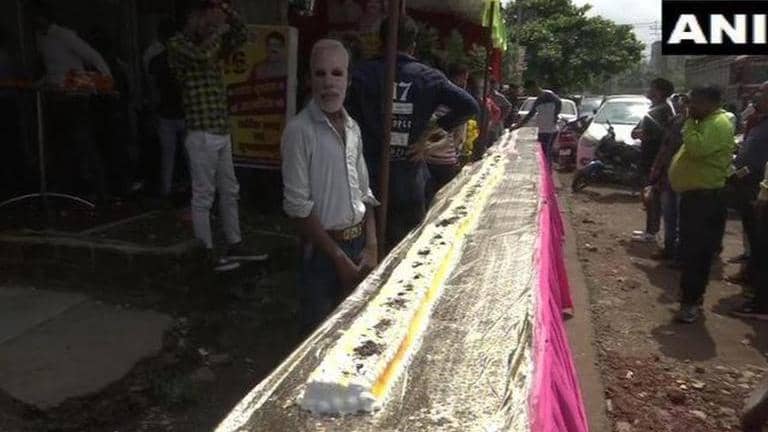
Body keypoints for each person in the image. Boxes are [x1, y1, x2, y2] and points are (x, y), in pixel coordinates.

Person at [347, 15, 479, 250]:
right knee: (405, 253)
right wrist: (427, 137)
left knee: (367, 251)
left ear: (380, 41)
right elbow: (469, 106)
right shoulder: (428, 77)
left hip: (368, 178)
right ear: (413, 44)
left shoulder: (360, 74)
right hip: (408, 178)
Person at [282, 39, 379, 332]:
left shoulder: (353, 128)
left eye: (337, 73)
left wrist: (372, 245)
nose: (328, 82)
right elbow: (298, 210)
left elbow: (365, 192)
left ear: (348, 80)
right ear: (309, 79)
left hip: (359, 245)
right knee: (319, 334)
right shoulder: (299, 132)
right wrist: (338, 258)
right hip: (322, 255)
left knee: (355, 330)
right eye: (320, 73)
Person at [168, 0, 262, 271]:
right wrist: (218, 30)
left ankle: (235, 244)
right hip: (200, 131)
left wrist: (223, 9)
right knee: (203, 195)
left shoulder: (212, 40)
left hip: (220, 129)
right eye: (204, 16)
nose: (210, 22)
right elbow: (203, 56)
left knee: (230, 191)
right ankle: (204, 251)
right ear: (192, 16)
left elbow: (242, 32)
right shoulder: (178, 45)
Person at [669, 86, 734, 323]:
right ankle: (691, 298)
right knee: (692, 251)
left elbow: (697, 150)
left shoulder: (717, 124)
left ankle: (690, 303)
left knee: (696, 253)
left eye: (694, 103)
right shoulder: (706, 122)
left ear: (708, 102)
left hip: (705, 201)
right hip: (696, 199)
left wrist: (687, 123)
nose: (690, 108)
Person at [33, 3, 110, 201]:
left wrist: (106, 80)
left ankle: (100, 189)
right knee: (63, 146)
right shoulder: (40, 38)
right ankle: (70, 189)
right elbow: (52, 70)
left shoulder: (64, 36)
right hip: (57, 96)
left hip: (75, 95)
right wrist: (41, 83)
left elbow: (93, 56)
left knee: (83, 142)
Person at [728, 91, 768, 315]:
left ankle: (760, 300)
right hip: (752, 189)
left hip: (757, 190)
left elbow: (758, 163)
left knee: (762, 244)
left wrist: (739, 174)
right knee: (755, 240)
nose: (757, 95)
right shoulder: (760, 122)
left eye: (763, 92)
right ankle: (752, 280)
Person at [630, 78, 676, 243]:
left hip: (654, 159)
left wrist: (642, 134)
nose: (649, 90)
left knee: (652, 196)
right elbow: (639, 129)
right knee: (648, 195)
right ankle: (650, 229)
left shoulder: (664, 110)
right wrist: (637, 132)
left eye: (652, 87)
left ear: (660, 91)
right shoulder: (655, 109)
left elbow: (663, 135)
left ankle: (651, 232)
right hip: (647, 157)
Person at [148, 19, 187, 199]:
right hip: (183, 113)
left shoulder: (157, 61)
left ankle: (167, 191)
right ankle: (195, 190)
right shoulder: (186, 59)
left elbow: (153, 89)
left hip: (167, 113)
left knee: (168, 157)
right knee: (191, 156)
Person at [649, 93, 688, 264]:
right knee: (669, 214)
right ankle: (668, 248)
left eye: (687, 102)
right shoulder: (675, 121)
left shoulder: (699, 126)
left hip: (686, 177)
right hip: (667, 175)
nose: (683, 105)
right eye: (681, 101)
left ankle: (680, 254)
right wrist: (656, 168)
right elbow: (665, 146)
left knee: (683, 218)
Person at [425, 63, 471, 204]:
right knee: (442, 203)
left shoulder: (430, 100)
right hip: (443, 161)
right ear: (461, 77)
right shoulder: (458, 101)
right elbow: (458, 137)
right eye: (465, 78)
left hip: (428, 160)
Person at [510, 80, 562, 166]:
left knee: (546, 154)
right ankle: (546, 172)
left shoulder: (549, 95)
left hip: (550, 130)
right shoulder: (538, 101)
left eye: (529, 90)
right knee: (543, 154)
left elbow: (559, 103)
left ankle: (547, 174)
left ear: (534, 87)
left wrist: (555, 115)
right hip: (542, 130)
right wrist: (516, 126)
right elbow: (529, 115)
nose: (530, 93)